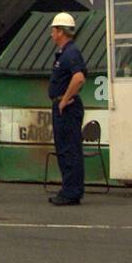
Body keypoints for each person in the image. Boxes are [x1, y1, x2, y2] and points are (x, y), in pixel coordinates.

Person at [47, 13, 87, 206]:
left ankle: (71, 192)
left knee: (69, 149)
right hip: (62, 107)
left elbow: (78, 77)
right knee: (64, 149)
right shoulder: (65, 53)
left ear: (61, 31)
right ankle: (69, 189)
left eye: (53, 30)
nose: (51, 34)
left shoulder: (71, 53)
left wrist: (64, 100)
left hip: (67, 108)